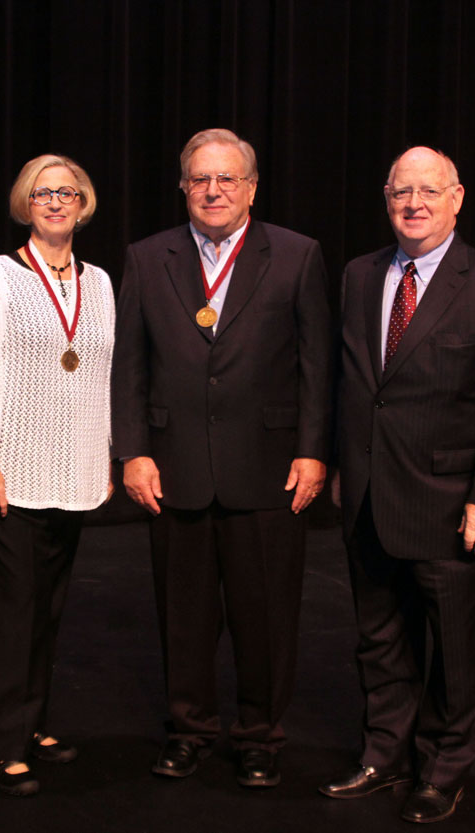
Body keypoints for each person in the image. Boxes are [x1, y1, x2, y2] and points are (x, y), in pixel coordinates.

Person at [322, 146, 475, 823]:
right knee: (379, 638)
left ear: (457, 198)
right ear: (386, 200)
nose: (413, 203)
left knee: (456, 651)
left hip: (453, 504)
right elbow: (354, 386)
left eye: (427, 191)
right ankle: (384, 755)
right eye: (400, 192)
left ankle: (443, 767)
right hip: (368, 497)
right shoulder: (359, 275)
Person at [111, 128, 332, 788]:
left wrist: (314, 451)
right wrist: (133, 452)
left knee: (265, 615)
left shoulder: (297, 255)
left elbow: (319, 367)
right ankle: (189, 728)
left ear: (251, 188)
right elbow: (129, 365)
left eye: (227, 179)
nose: (213, 190)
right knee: (184, 615)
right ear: (183, 187)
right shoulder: (148, 257)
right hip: (173, 465)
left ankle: (260, 733)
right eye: (199, 179)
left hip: (268, 468)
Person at [0, 154, 114, 797]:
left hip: (68, 472)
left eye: (66, 192)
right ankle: (4, 742)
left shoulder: (98, 282)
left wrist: (101, 454)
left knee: (46, 609)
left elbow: (98, 374)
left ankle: (34, 721)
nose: (54, 202)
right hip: (6, 474)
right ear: (25, 202)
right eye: (42, 193)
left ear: (82, 202)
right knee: (9, 611)